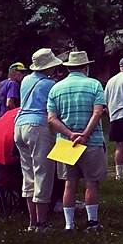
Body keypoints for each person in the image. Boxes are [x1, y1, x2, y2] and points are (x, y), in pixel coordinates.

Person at [46, 49, 107, 233]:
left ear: (69, 68)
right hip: (92, 141)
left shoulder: (56, 88)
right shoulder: (94, 85)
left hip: (66, 142)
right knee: (91, 182)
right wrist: (85, 134)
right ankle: (92, 222)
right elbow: (98, 112)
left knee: (69, 183)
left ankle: (69, 224)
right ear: (85, 67)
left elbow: (51, 118)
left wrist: (70, 133)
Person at [13, 48, 63, 232]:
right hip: (38, 127)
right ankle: (42, 222)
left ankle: (32, 222)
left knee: (28, 175)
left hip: (20, 126)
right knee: (43, 173)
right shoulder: (49, 84)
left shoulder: (26, 80)